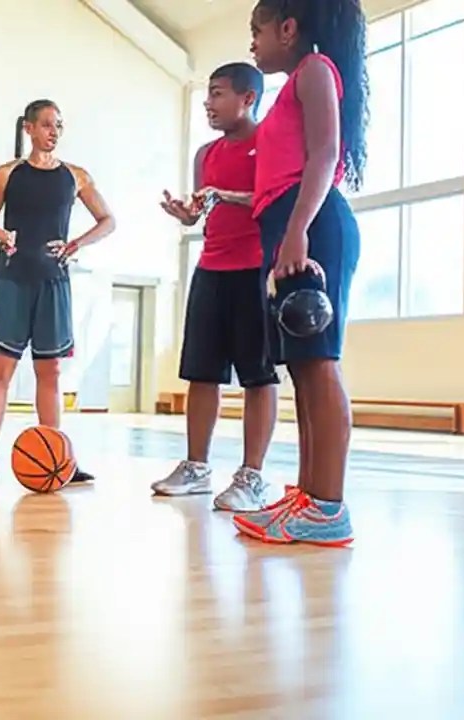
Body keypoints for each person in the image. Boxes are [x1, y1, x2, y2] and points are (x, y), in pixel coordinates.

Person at [231, 0, 369, 546]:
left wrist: (296, 232)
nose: (253, 44)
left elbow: (324, 153)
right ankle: (311, 497)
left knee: (320, 364)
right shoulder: (292, 86)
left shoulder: (314, 70)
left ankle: (329, 506)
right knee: (301, 367)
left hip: (312, 225)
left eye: (256, 32)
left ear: (288, 29)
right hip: (289, 222)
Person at [0, 99, 116, 486]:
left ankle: (57, 455)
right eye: (47, 125)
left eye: (59, 126)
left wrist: (76, 244)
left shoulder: (76, 176)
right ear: (29, 129)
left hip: (55, 282)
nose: (54, 132)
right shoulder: (7, 174)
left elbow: (108, 220)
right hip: (12, 280)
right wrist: (3, 235)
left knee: (49, 371)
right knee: (1, 370)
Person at [151, 62, 280, 511]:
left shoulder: (270, 142)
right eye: (207, 94)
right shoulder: (205, 154)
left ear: (248, 98)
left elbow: (272, 198)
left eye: (219, 94)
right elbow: (202, 207)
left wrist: (227, 195)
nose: (208, 103)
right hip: (211, 268)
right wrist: (188, 215)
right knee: (201, 372)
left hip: (256, 269)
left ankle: (252, 476)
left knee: (258, 376)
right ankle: (196, 466)